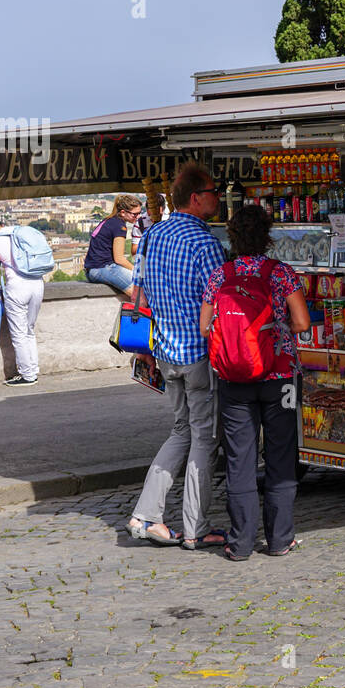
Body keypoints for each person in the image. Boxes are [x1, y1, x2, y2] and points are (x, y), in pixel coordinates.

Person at [126, 163, 226, 550]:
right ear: (197, 197)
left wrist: (147, 350)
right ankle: (195, 528)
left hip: (165, 353)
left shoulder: (152, 235)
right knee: (204, 438)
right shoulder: (204, 243)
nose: (218, 197)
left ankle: (145, 515)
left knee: (181, 431)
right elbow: (218, 303)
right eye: (215, 191)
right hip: (198, 354)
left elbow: (140, 295)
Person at [202, 204, 310, 560]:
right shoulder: (281, 274)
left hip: (233, 379)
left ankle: (240, 544)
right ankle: (280, 539)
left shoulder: (220, 275)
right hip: (279, 378)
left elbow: (206, 328)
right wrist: (272, 333)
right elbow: (302, 323)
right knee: (280, 457)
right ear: (267, 235)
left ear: (232, 236)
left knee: (239, 460)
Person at [0, 216, 44, 386]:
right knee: (29, 330)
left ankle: (27, 375)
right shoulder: (20, 234)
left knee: (19, 334)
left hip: (17, 287)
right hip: (37, 282)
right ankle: (33, 369)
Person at [85, 195, 141, 297]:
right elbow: (119, 259)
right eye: (135, 214)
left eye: (139, 213)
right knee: (140, 293)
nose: (138, 217)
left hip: (93, 270)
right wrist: (137, 270)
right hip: (102, 268)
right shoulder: (119, 226)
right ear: (123, 212)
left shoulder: (110, 220)